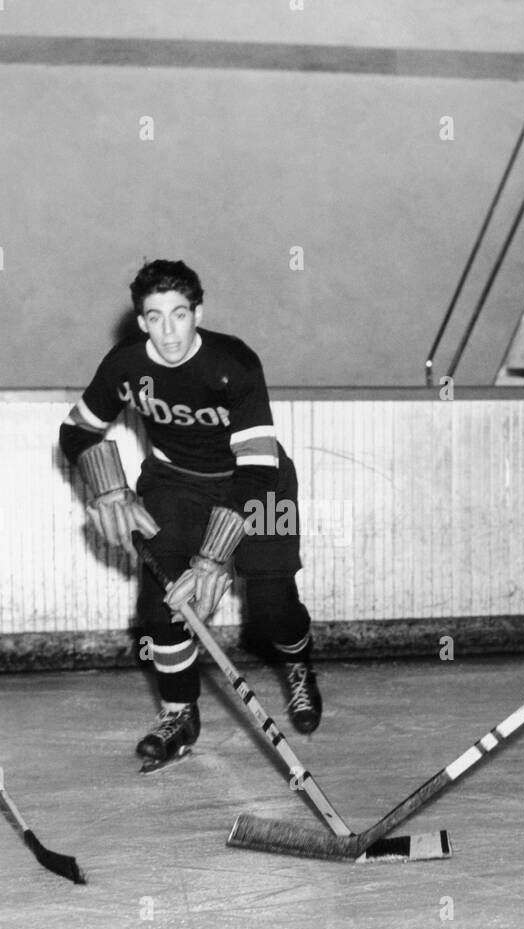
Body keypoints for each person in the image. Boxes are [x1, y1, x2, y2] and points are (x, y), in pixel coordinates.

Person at [59, 259, 321, 769]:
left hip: (262, 481)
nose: (169, 330)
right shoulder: (125, 365)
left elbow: (257, 468)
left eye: (179, 315)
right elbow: (77, 432)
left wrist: (213, 556)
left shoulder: (234, 362)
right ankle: (179, 712)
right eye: (155, 317)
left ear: (198, 312)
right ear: (141, 321)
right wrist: (109, 488)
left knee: (271, 608)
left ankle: (296, 663)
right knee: (160, 606)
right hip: (175, 483)